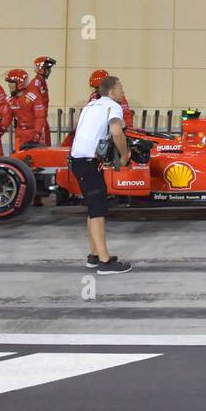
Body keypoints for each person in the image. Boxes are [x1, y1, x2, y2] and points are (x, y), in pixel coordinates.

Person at [68, 74, 132, 274]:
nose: (123, 92)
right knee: (98, 210)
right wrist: (124, 155)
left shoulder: (91, 106)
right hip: (88, 162)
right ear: (112, 92)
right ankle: (105, 263)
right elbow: (116, 132)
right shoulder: (113, 106)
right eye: (121, 88)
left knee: (93, 207)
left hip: (78, 161)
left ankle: (94, 255)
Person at [5, 68, 47, 151]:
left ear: (20, 83)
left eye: (12, 82)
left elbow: (40, 117)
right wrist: (0, 128)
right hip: (19, 135)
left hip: (33, 134)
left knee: (36, 160)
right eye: (9, 82)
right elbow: (6, 117)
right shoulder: (10, 100)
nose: (9, 84)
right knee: (18, 159)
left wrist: (37, 133)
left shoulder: (33, 97)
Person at [27, 56, 55, 143]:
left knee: (46, 146)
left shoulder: (42, 82)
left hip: (42, 121)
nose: (50, 71)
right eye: (48, 69)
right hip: (38, 122)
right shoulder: (36, 83)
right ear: (41, 69)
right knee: (41, 149)